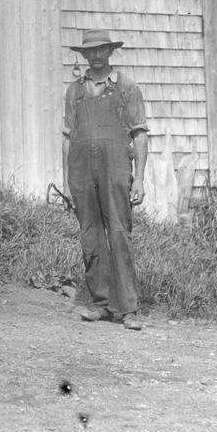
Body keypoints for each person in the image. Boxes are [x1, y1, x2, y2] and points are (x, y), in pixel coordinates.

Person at [62, 28, 148, 331]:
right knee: (90, 235)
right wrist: (67, 180)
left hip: (117, 169)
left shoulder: (127, 87)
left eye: (102, 50)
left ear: (110, 52)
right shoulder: (74, 91)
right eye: (91, 51)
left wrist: (139, 180)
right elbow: (67, 138)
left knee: (120, 234)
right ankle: (100, 304)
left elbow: (139, 135)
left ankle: (128, 309)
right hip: (82, 172)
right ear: (84, 55)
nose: (96, 56)